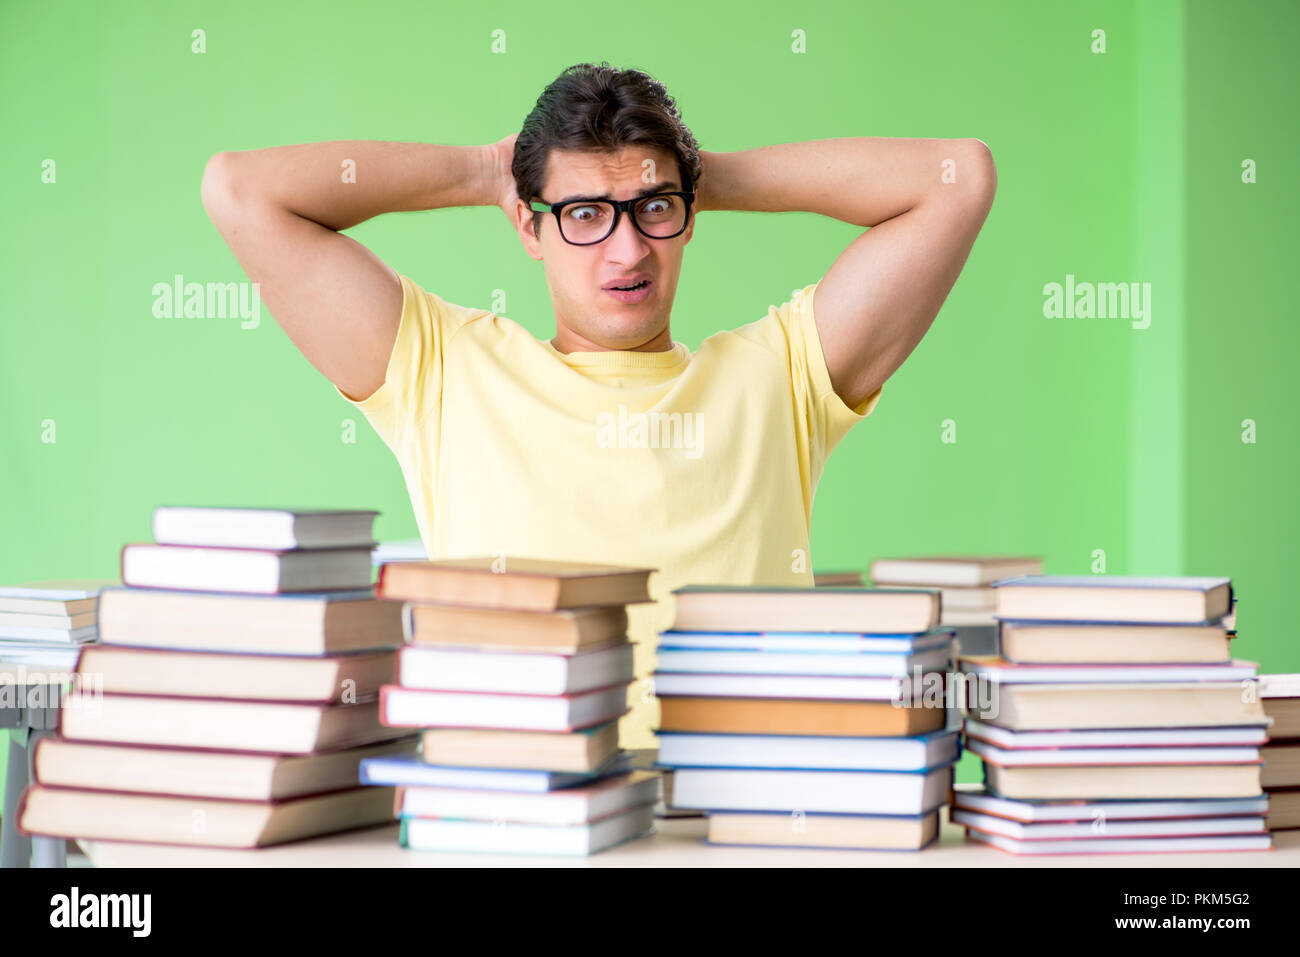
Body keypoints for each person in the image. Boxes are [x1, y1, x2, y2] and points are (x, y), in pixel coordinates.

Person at [199, 62, 996, 749]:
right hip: (519, 824)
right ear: (530, 224)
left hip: (728, 825)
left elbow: (957, 178)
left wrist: (696, 179)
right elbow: (240, 191)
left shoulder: (781, 374)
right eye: (585, 214)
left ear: (688, 216)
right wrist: (482, 171)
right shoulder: (443, 369)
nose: (628, 249)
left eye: (654, 210)